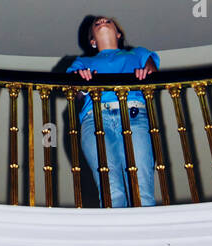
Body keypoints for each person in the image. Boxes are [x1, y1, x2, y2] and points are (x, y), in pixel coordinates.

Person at [67, 16, 159, 207]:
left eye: (108, 21)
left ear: (118, 34)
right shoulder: (82, 61)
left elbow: (153, 73)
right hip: (96, 119)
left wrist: (144, 75)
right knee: (111, 191)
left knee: (142, 188)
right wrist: (81, 83)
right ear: (92, 40)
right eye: (97, 23)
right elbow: (73, 92)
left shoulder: (138, 53)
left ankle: (148, 234)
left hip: (133, 114)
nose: (102, 20)